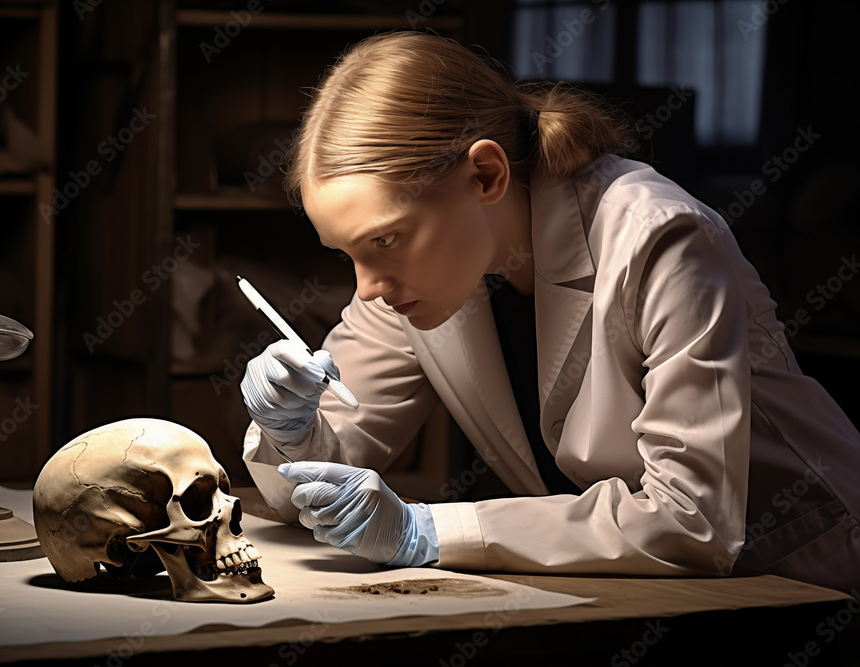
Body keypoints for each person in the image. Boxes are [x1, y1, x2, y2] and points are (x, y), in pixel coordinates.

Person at [239, 31, 860, 592]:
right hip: (646, 591)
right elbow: (327, 485)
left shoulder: (660, 237)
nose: (367, 287)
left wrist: (421, 531)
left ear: (485, 175)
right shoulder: (415, 277)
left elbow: (690, 518)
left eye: (386, 239)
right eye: (347, 253)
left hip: (803, 575)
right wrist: (293, 432)